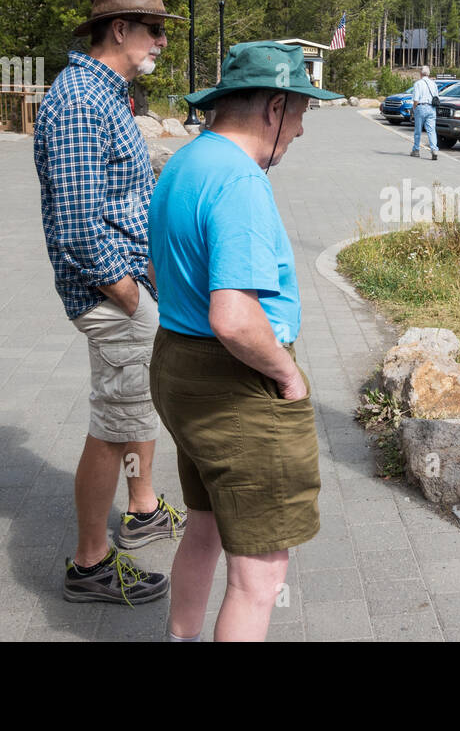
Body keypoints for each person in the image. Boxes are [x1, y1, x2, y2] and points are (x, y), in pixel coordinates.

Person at [148, 41, 341, 641]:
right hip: (235, 384)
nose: (303, 129)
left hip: (177, 363)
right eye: (302, 111)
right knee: (259, 572)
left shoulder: (185, 162)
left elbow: (158, 272)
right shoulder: (240, 182)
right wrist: (286, 374)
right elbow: (233, 318)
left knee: (203, 527)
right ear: (275, 107)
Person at [33, 0, 189, 606]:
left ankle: (143, 508)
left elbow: (120, 190)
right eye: (153, 28)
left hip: (129, 283)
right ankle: (90, 563)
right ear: (119, 30)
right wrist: (127, 293)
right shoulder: (78, 101)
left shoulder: (108, 94)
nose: (161, 39)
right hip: (110, 291)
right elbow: (75, 221)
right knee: (113, 420)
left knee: (135, 405)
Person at [410, 65, 439, 160]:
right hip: (431, 108)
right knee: (431, 131)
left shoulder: (418, 84)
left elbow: (416, 99)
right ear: (429, 74)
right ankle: (434, 150)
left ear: (421, 73)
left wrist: (414, 109)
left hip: (421, 107)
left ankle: (416, 150)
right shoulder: (433, 84)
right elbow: (436, 97)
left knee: (418, 130)